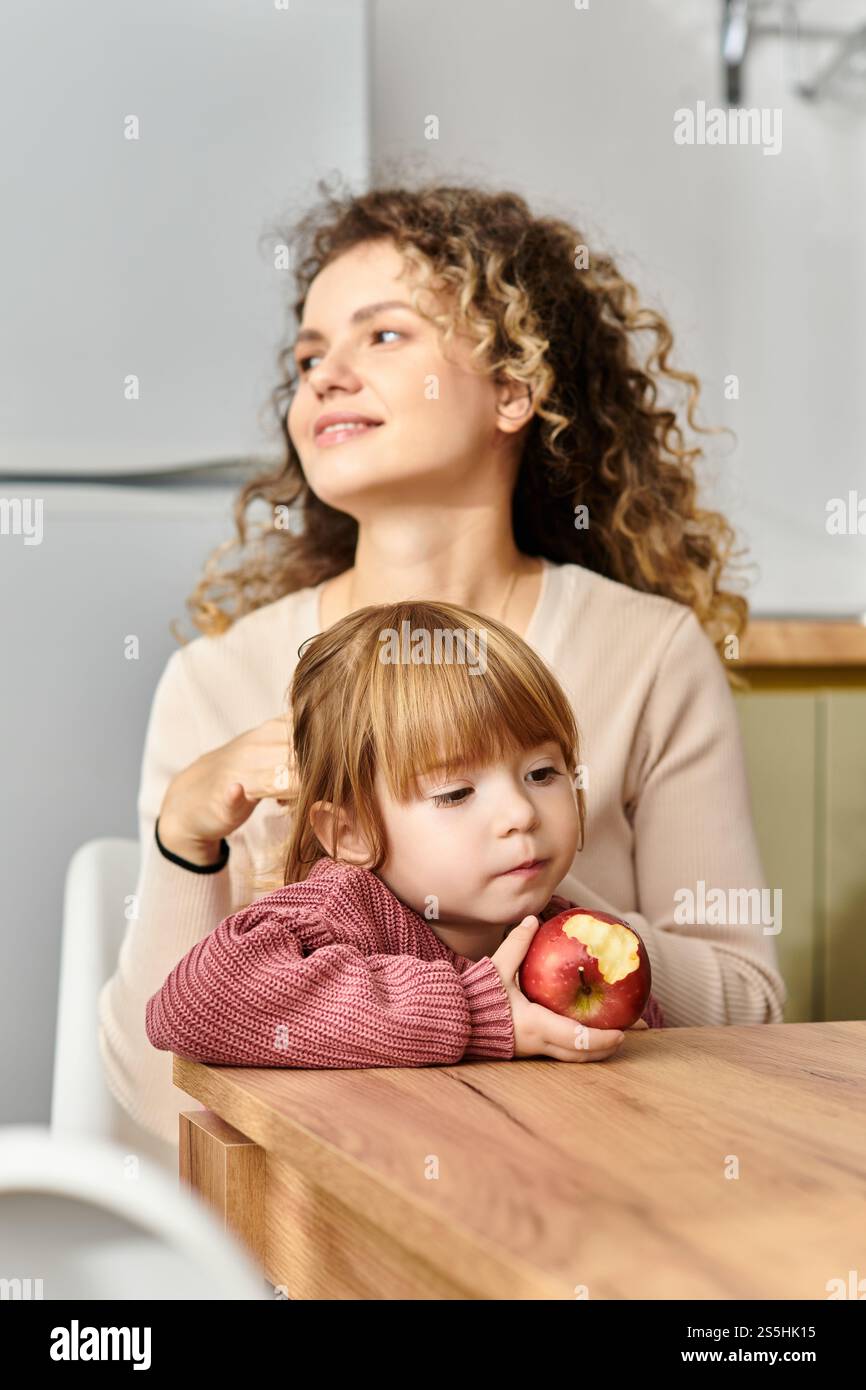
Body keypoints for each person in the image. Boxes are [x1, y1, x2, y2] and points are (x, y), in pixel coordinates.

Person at [98, 180, 786, 1155]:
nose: (325, 375)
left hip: (591, 1185)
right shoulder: (223, 682)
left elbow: (748, 1014)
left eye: (381, 337)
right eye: (307, 355)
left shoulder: (646, 653)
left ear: (514, 386)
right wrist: (183, 841)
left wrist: (536, 899)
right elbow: (160, 1096)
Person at [144, 600, 665, 1072]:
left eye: (542, 774)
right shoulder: (339, 913)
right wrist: (478, 1013)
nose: (520, 813)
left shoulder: (569, 936)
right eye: (456, 792)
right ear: (352, 833)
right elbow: (192, 1003)